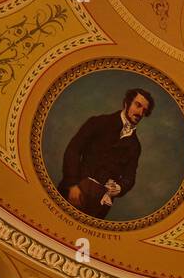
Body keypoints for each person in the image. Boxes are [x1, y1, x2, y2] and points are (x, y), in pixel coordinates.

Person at [58, 88, 154, 218]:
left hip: (99, 204)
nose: (140, 113)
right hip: (75, 190)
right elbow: (73, 151)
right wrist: (72, 184)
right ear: (126, 103)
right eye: (138, 105)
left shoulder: (135, 146)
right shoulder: (98, 122)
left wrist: (119, 188)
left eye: (145, 110)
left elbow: (129, 177)